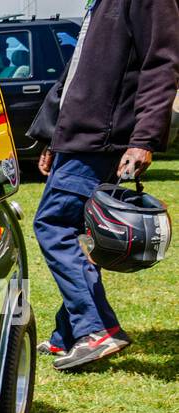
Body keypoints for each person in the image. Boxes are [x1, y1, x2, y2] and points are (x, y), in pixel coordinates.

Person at [32, 0, 179, 371]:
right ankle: (75, 332)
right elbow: (77, 73)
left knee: (54, 226)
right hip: (78, 138)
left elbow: (161, 65)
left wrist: (144, 138)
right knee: (79, 232)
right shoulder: (99, 3)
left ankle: (94, 329)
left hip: (102, 140)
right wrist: (53, 136)